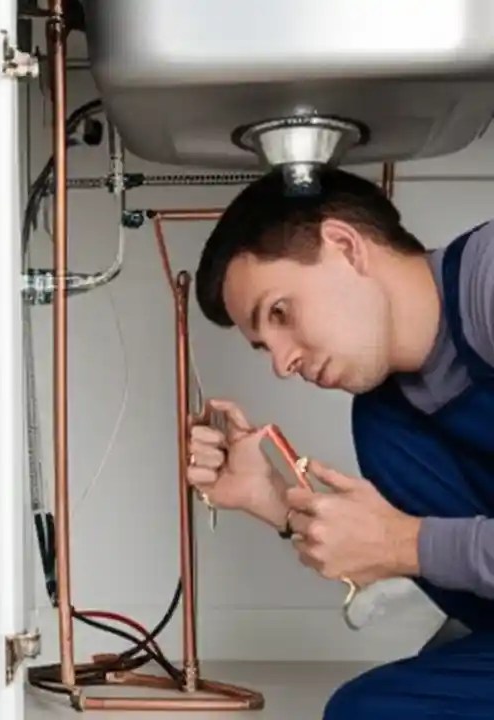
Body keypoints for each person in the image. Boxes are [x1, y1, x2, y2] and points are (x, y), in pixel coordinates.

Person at [186, 167, 494, 719]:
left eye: (280, 313)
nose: (283, 363)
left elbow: (414, 543)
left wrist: (408, 545)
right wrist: (274, 502)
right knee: (365, 712)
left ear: (345, 247)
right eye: (264, 347)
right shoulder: (388, 420)